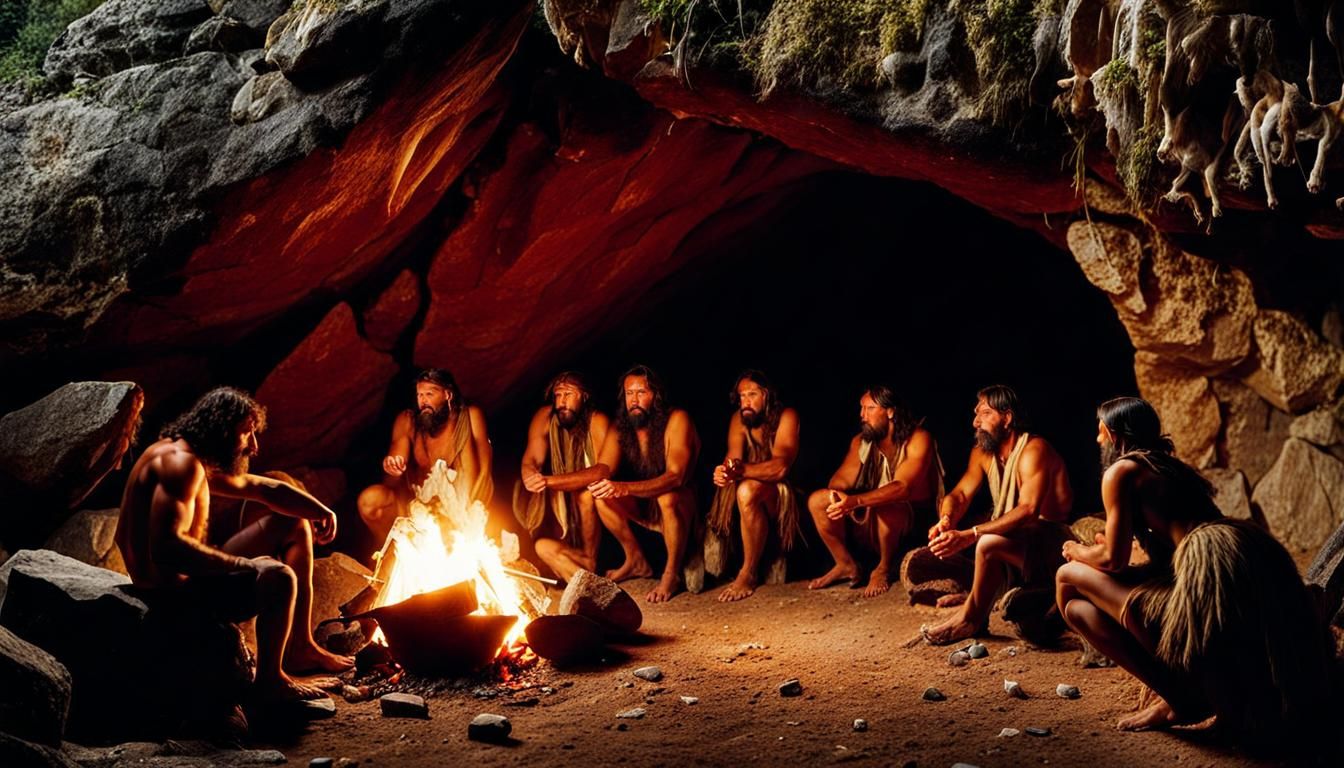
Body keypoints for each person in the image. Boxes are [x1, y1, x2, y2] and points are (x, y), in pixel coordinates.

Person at [1056, 397, 1332, 746]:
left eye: (1100, 434)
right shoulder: (1169, 467)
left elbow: (1113, 559)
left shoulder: (1120, 471)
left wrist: (1076, 550)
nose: (1097, 442)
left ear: (1113, 435)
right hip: (1235, 553)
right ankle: (1192, 691)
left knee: (1066, 579)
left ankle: (1181, 697)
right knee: (1084, 598)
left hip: (1208, 568)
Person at [115, 387, 353, 704]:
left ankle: (300, 646)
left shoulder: (182, 453)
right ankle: (270, 682)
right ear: (223, 430)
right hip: (171, 597)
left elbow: (258, 487)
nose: (253, 446)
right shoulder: (181, 466)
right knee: (277, 576)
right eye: (246, 434)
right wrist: (245, 567)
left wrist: (320, 510)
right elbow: (167, 548)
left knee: (293, 522)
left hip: (185, 580)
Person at [922, 384, 1074, 644]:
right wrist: (946, 519)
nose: (976, 422)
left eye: (985, 414)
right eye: (976, 414)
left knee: (987, 540)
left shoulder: (1034, 450)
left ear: (1007, 417)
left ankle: (971, 618)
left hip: (1053, 548)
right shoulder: (983, 454)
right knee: (977, 533)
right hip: (1020, 544)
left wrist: (971, 534)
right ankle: (980, 601)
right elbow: (959, 495)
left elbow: (1028, 510)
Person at [807, 385, 942, 598]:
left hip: (915, 524)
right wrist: (838, 495)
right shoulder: (861, 442)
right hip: (873, 520)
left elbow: (903, 487)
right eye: (861, 409)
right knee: (818, 500)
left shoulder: (918, 438)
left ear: (890, 412)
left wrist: (857, 501)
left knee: (886, 501)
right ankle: (845, 564)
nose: (862, 415)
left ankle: (883, 568)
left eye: (869, 408)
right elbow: (840, 479)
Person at [588, 365, 700, 603]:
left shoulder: (677, 419)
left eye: (642, 393)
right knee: (600, 495)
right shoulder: (622, 426)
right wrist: (547, 480)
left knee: (667, 497)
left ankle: (671, 574)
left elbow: (676, 477)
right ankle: (635, 560)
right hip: (648, 505)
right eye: (629, 393)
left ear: (656, 395)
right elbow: (602, 468)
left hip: (685, 503)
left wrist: (624, 487)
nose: (634, 400)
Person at [357, 368, 492, 544]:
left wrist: (470, 514)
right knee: (369, 501)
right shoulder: (408, 421)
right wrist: (392, 463)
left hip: (459, 511)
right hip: (415, 511)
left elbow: (482, 470)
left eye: (430, 394)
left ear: (447, 395)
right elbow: (396, 456)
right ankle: (392, 551)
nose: (423, 401)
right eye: (420, 395)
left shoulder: (468, 417)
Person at [707, 370, 801, 602]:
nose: (745, 402)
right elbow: (733, 458)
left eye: (751, 395)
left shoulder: (786, 416)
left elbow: (781, 468)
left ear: (766, 395)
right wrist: (723, 472)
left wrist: (740, 472)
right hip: (749, 487)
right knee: (742, 489)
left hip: (781, 494)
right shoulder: (738, 420)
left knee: (746, 489)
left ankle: (748, 572)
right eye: (741, 396)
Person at [515, 371, 609, 582]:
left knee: (586, 496)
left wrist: (548, 481)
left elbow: (599, 472)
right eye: (558, 395)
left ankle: (591, 566)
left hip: (602, 513)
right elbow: (530, 459)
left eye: (569, 394)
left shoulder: (597, 421)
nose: (562, 401)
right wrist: (530, 476)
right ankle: (588, 582)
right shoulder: (545, 418)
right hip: (562, 512)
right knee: (542, 547)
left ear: (584, 396)